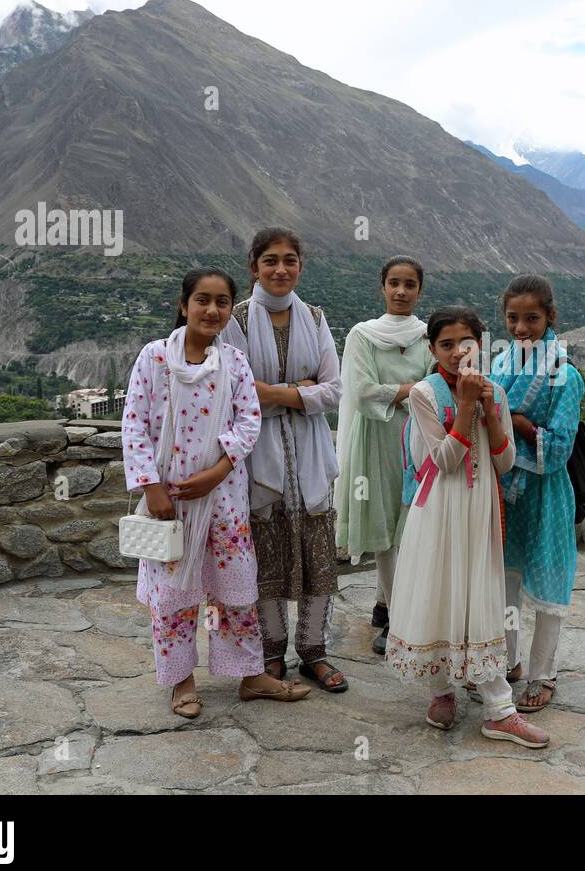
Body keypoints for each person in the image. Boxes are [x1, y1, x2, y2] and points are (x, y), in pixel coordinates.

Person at [122, 268, 307, 718]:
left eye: (222, 302)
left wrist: (217, 472)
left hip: (223, 497)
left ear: (230, 310)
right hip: (169, 498)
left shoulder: (234, 363)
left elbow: (248, 422)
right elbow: (134, 424)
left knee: (235, 590)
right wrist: (151, 487)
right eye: (202, 300)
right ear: (184, 305)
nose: (211, 309)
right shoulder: (154, 359)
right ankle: (180, 681)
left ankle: (251, 674)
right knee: (173, 593)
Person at [386, 307, 550, 748]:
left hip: (478, 509)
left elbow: (504, 460)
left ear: (480, 343)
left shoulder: (494, 390)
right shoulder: (423, 393)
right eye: (446, 344)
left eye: (467, 343)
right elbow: (440, 462)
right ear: (432, 348)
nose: (458, 353)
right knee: (442, 591)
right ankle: (442, 688)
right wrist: (462, 407)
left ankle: (499, 707)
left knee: (480, 592)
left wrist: (488, 409)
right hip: (440, 508)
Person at [219, 228, 346, 693]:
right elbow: (234, 392)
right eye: (270, 261)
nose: (280, 269)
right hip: (258, 455)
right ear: (253, 267)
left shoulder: (314, 318)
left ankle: (314, 651)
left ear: (300, 266)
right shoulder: (234, 320)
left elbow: (335, 389)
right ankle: (271, 650)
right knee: (265, 552)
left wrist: (272, 394)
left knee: (315, 553)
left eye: (290, 260)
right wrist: (300, 392)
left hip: (311, 455)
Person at [490, 275, 585, 714]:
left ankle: (542, 674)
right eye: (513, 318)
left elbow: (560, 446)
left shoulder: (564, 376)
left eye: (532, 318)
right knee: (505, 580)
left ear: (550, 316)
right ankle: (507, 661)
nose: (522, 328)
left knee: (549, 584)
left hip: (546, 491)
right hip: (507, 489)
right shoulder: (501, 365)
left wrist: (522, 424)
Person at [333, 256, 432, 655]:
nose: (401, 291)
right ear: (383, 287)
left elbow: (438, 383)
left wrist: (400, 389)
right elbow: (361, 389)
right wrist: (414, 390)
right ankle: (395, 614)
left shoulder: (429, 335)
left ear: (419, 290)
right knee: (384, 525)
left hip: (419, 438)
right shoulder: (363, 335)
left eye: (410, 284)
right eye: (394, 283)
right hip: (376, 435)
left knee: (409, 522)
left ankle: (383, 601)